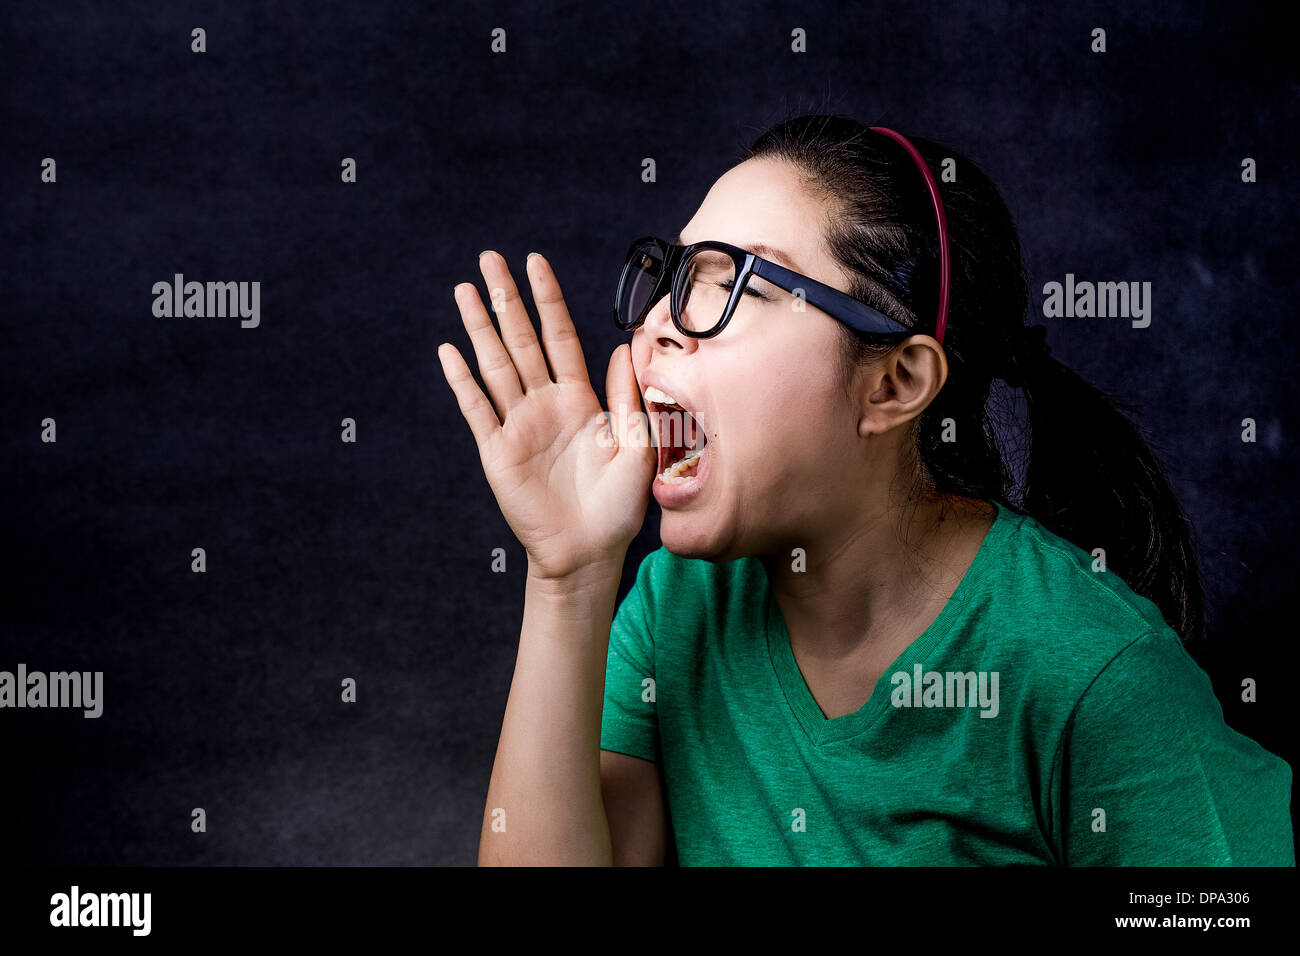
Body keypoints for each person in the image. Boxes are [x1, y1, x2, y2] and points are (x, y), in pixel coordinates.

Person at [437, 114, 1294, 866]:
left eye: (727, 284)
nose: (658, 323)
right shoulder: (675, 610)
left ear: (892, 385)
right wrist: (570, 579)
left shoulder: (1094, 670)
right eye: (672, 279)